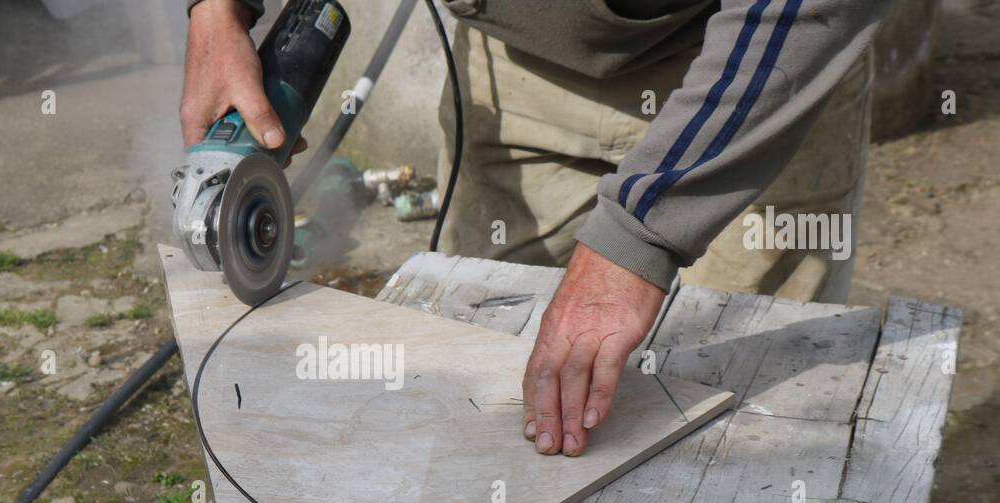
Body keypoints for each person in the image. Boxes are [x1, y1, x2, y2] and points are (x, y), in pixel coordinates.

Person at [178, 0, 890, 456]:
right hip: (515, 63)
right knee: (481, 415)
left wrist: (640, 234)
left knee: (749, 438)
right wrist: (217, 9)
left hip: (756, 73)